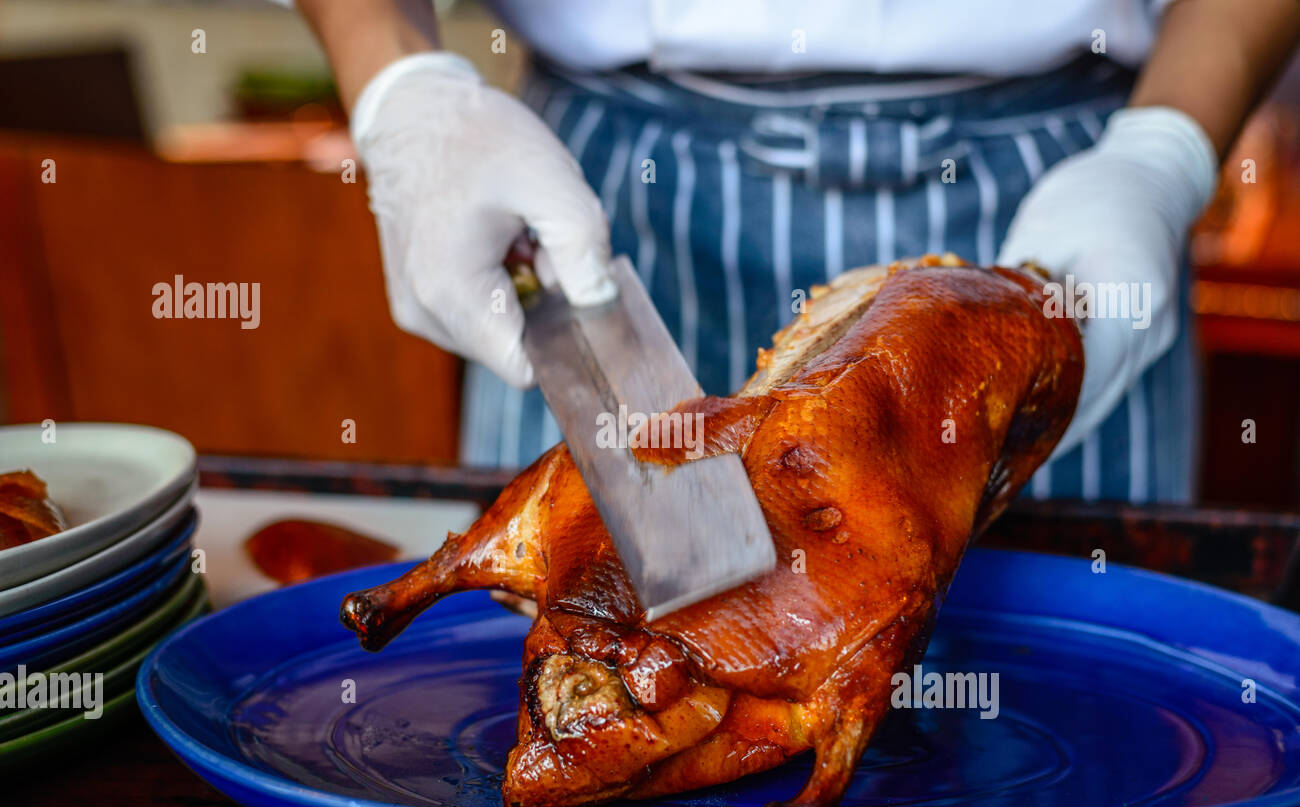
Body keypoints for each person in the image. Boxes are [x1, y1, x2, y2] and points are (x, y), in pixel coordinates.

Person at [298, 0, 1300, 502]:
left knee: (1089, 737)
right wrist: (397, 88)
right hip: (598, 203)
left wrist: (1165, 152)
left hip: (1068, 187)